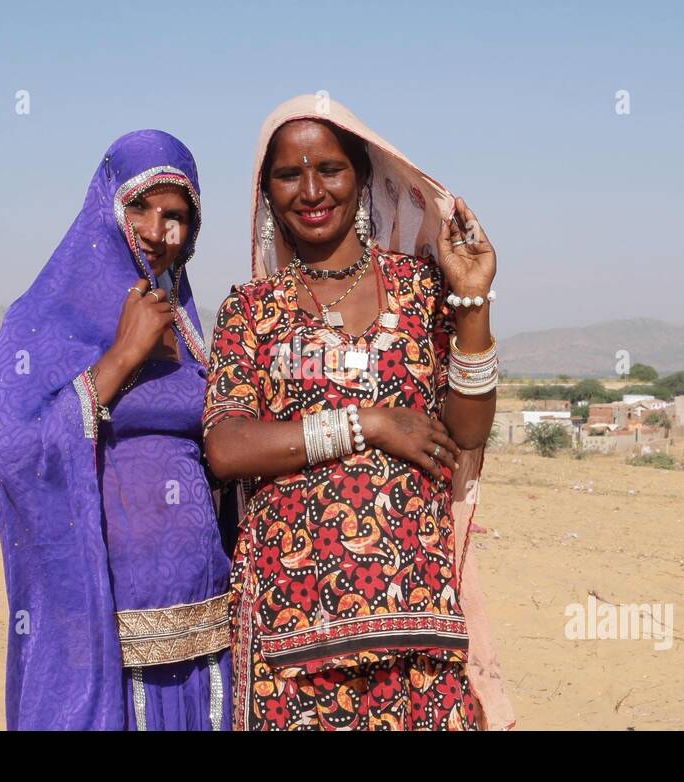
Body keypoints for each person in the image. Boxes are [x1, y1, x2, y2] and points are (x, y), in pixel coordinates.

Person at [203, 96, 515, 730]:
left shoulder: (424, 289)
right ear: (266, 192)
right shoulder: (249, 310)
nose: (312, 190)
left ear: (363, 177)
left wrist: (474, 301)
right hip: (294, 636)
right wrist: (366, 423)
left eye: (331, 169)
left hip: (418, 626)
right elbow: (227, 446)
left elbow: (466, 433)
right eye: (289, 174)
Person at [0, 130, 231, 730]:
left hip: (207, 617)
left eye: (176, 216)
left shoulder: (194, 327)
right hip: (108, 621)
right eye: (140, 206)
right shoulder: (43, 318)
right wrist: (120, 358)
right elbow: (14, 446)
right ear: (106, 205)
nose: (155, 230)